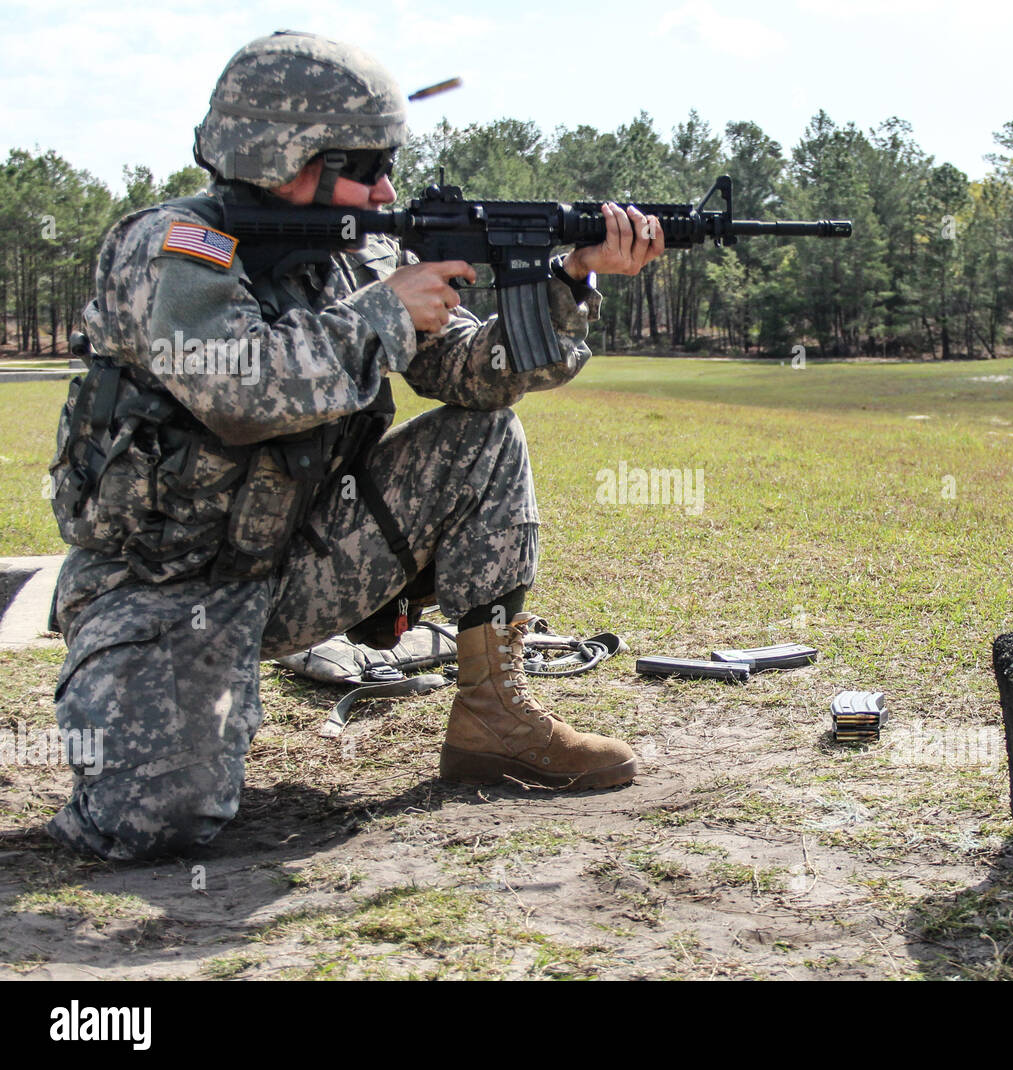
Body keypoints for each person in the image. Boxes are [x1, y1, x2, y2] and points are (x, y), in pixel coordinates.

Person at [46, 30, 665, 861]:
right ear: (287, 159)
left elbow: (474, 378)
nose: (387, 189)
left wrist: (568, 283)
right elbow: (237, 394)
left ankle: (493, 719)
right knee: (155, 828)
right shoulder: (172, 249)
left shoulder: (354, 257)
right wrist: (382, 312)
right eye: (368, 166)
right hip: (160, 584)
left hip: (299, 564)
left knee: (481, 434)